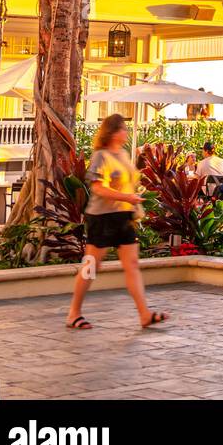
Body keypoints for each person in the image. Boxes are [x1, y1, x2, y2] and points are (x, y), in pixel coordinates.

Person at [66, 114, 169, 331]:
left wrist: (133, 195)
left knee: (132, 265)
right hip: (102, 218)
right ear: (113, 132)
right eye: (123, 128)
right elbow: (97, 188)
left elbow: (128, 181)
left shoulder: (122, 154)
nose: (127, 132)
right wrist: (127, 197)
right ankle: (74, 312)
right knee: (91, 266)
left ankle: (144, 314)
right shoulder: (101, 157)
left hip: (123, 217)